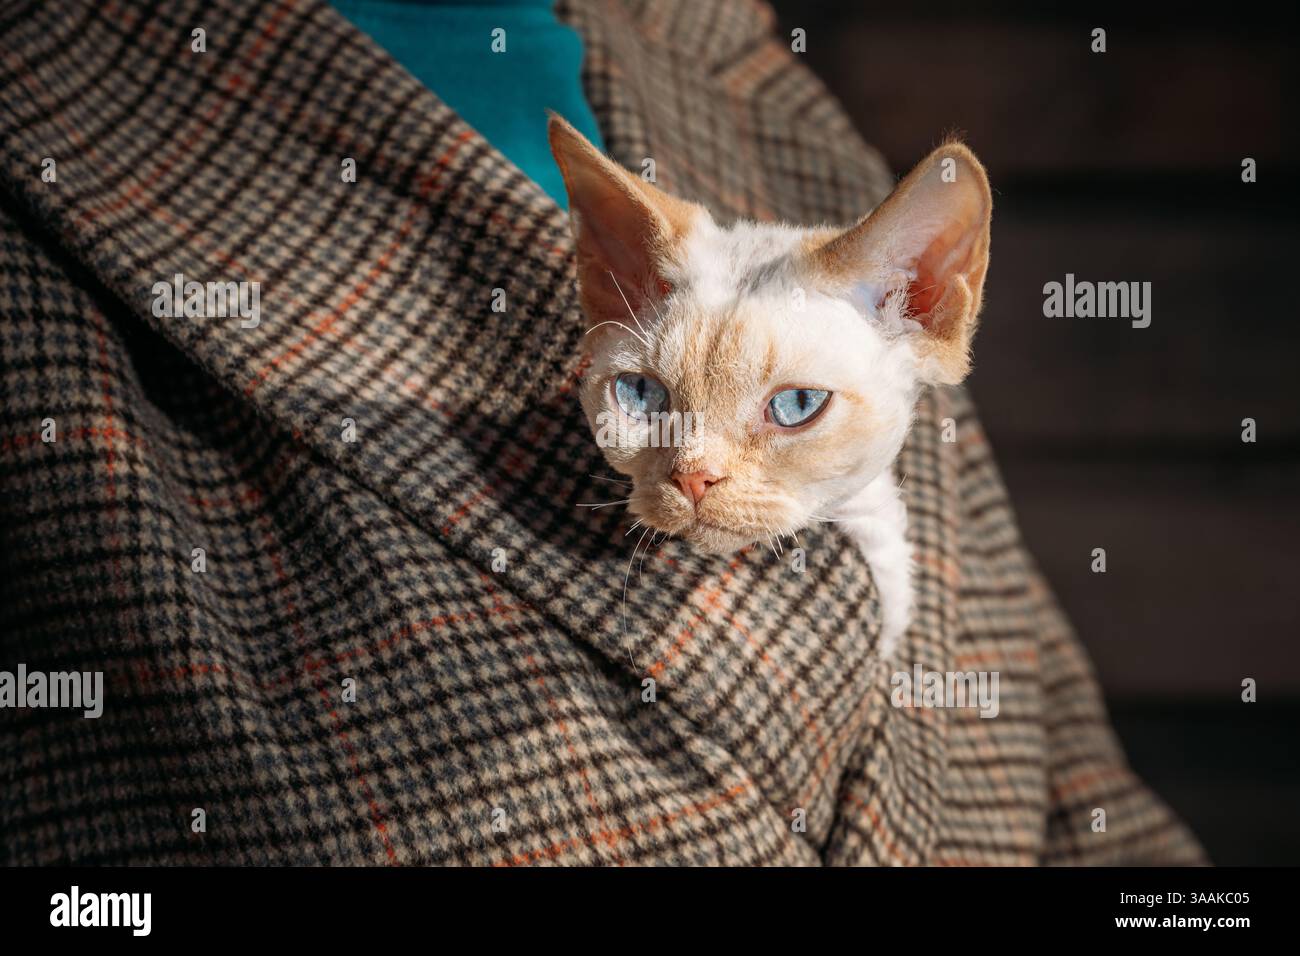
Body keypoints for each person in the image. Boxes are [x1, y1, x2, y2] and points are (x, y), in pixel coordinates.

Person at [0, 0, 1202, 865]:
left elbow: (1065, 773)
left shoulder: (738, 70)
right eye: (645, 401)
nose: (694, 468)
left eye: (790, 408)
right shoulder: (50, 100)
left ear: (930, 301)